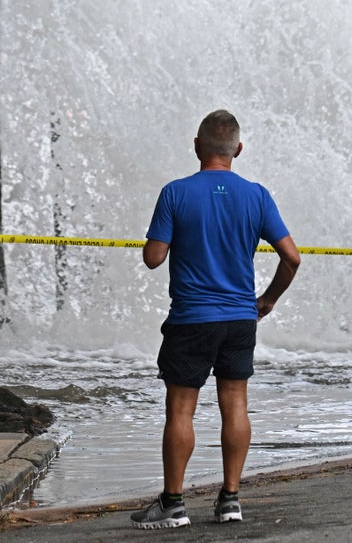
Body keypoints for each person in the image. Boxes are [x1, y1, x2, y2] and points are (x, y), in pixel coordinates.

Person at [130, 109, 301, 530]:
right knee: (236, 402)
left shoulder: (176, 193)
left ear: (196, 146)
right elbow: (292, 258)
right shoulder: (257, 196)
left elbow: (153, 258)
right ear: (237, 149)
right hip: (241, 317)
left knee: (181, 409)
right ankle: (230, 500)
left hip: (192, 318)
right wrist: (268, 300)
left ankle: (173, 504)